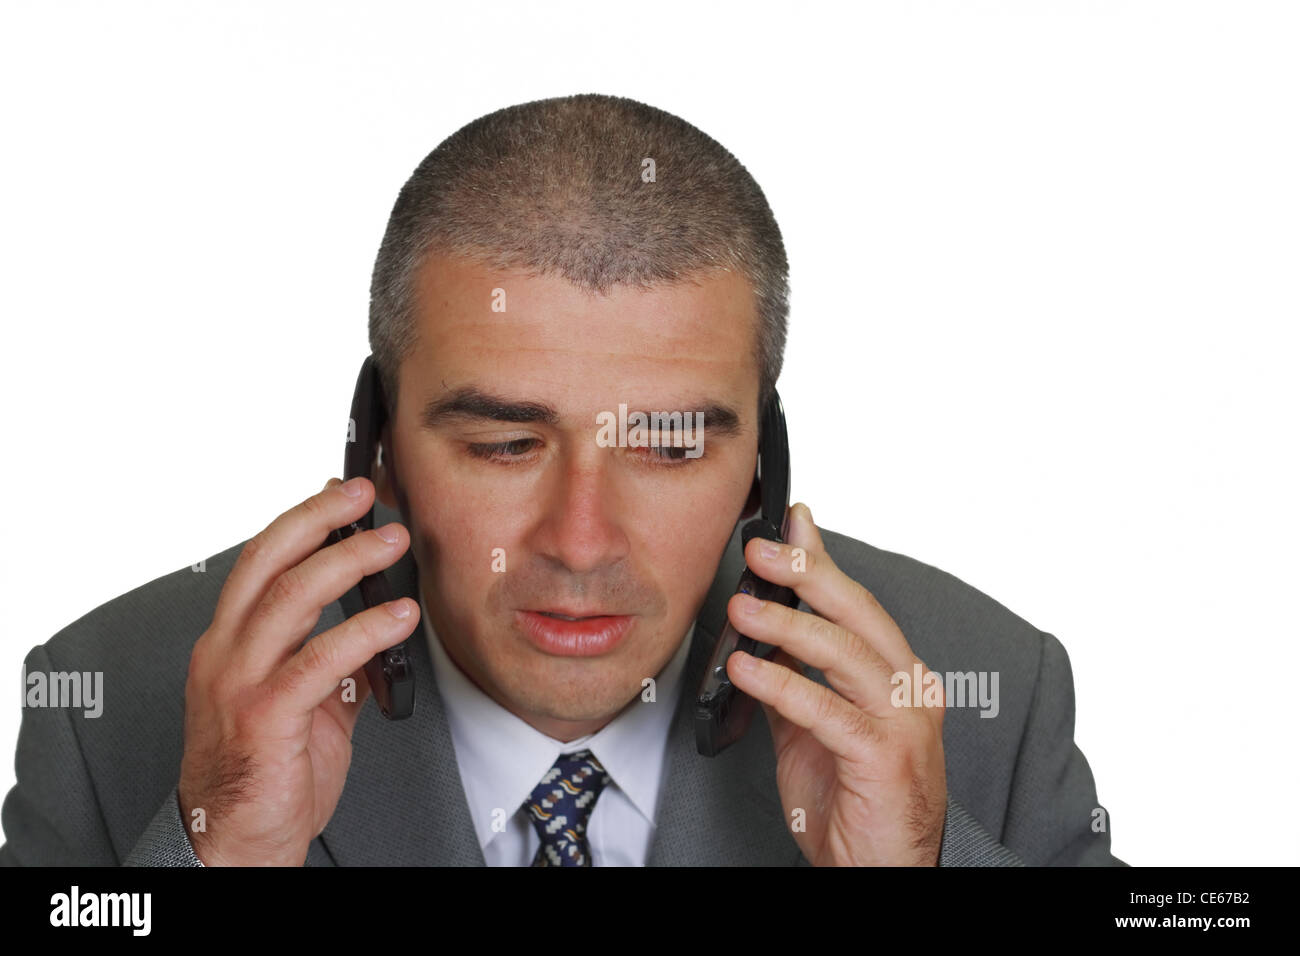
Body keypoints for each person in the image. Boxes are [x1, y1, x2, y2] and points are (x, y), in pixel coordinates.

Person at [0, 93, 1122, 866]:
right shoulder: (114, 702)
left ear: (763, 470)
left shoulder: (984, 693)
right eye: (503, 445)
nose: (582, 543)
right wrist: (212, 853)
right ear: (376, 444)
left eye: (672, 446)